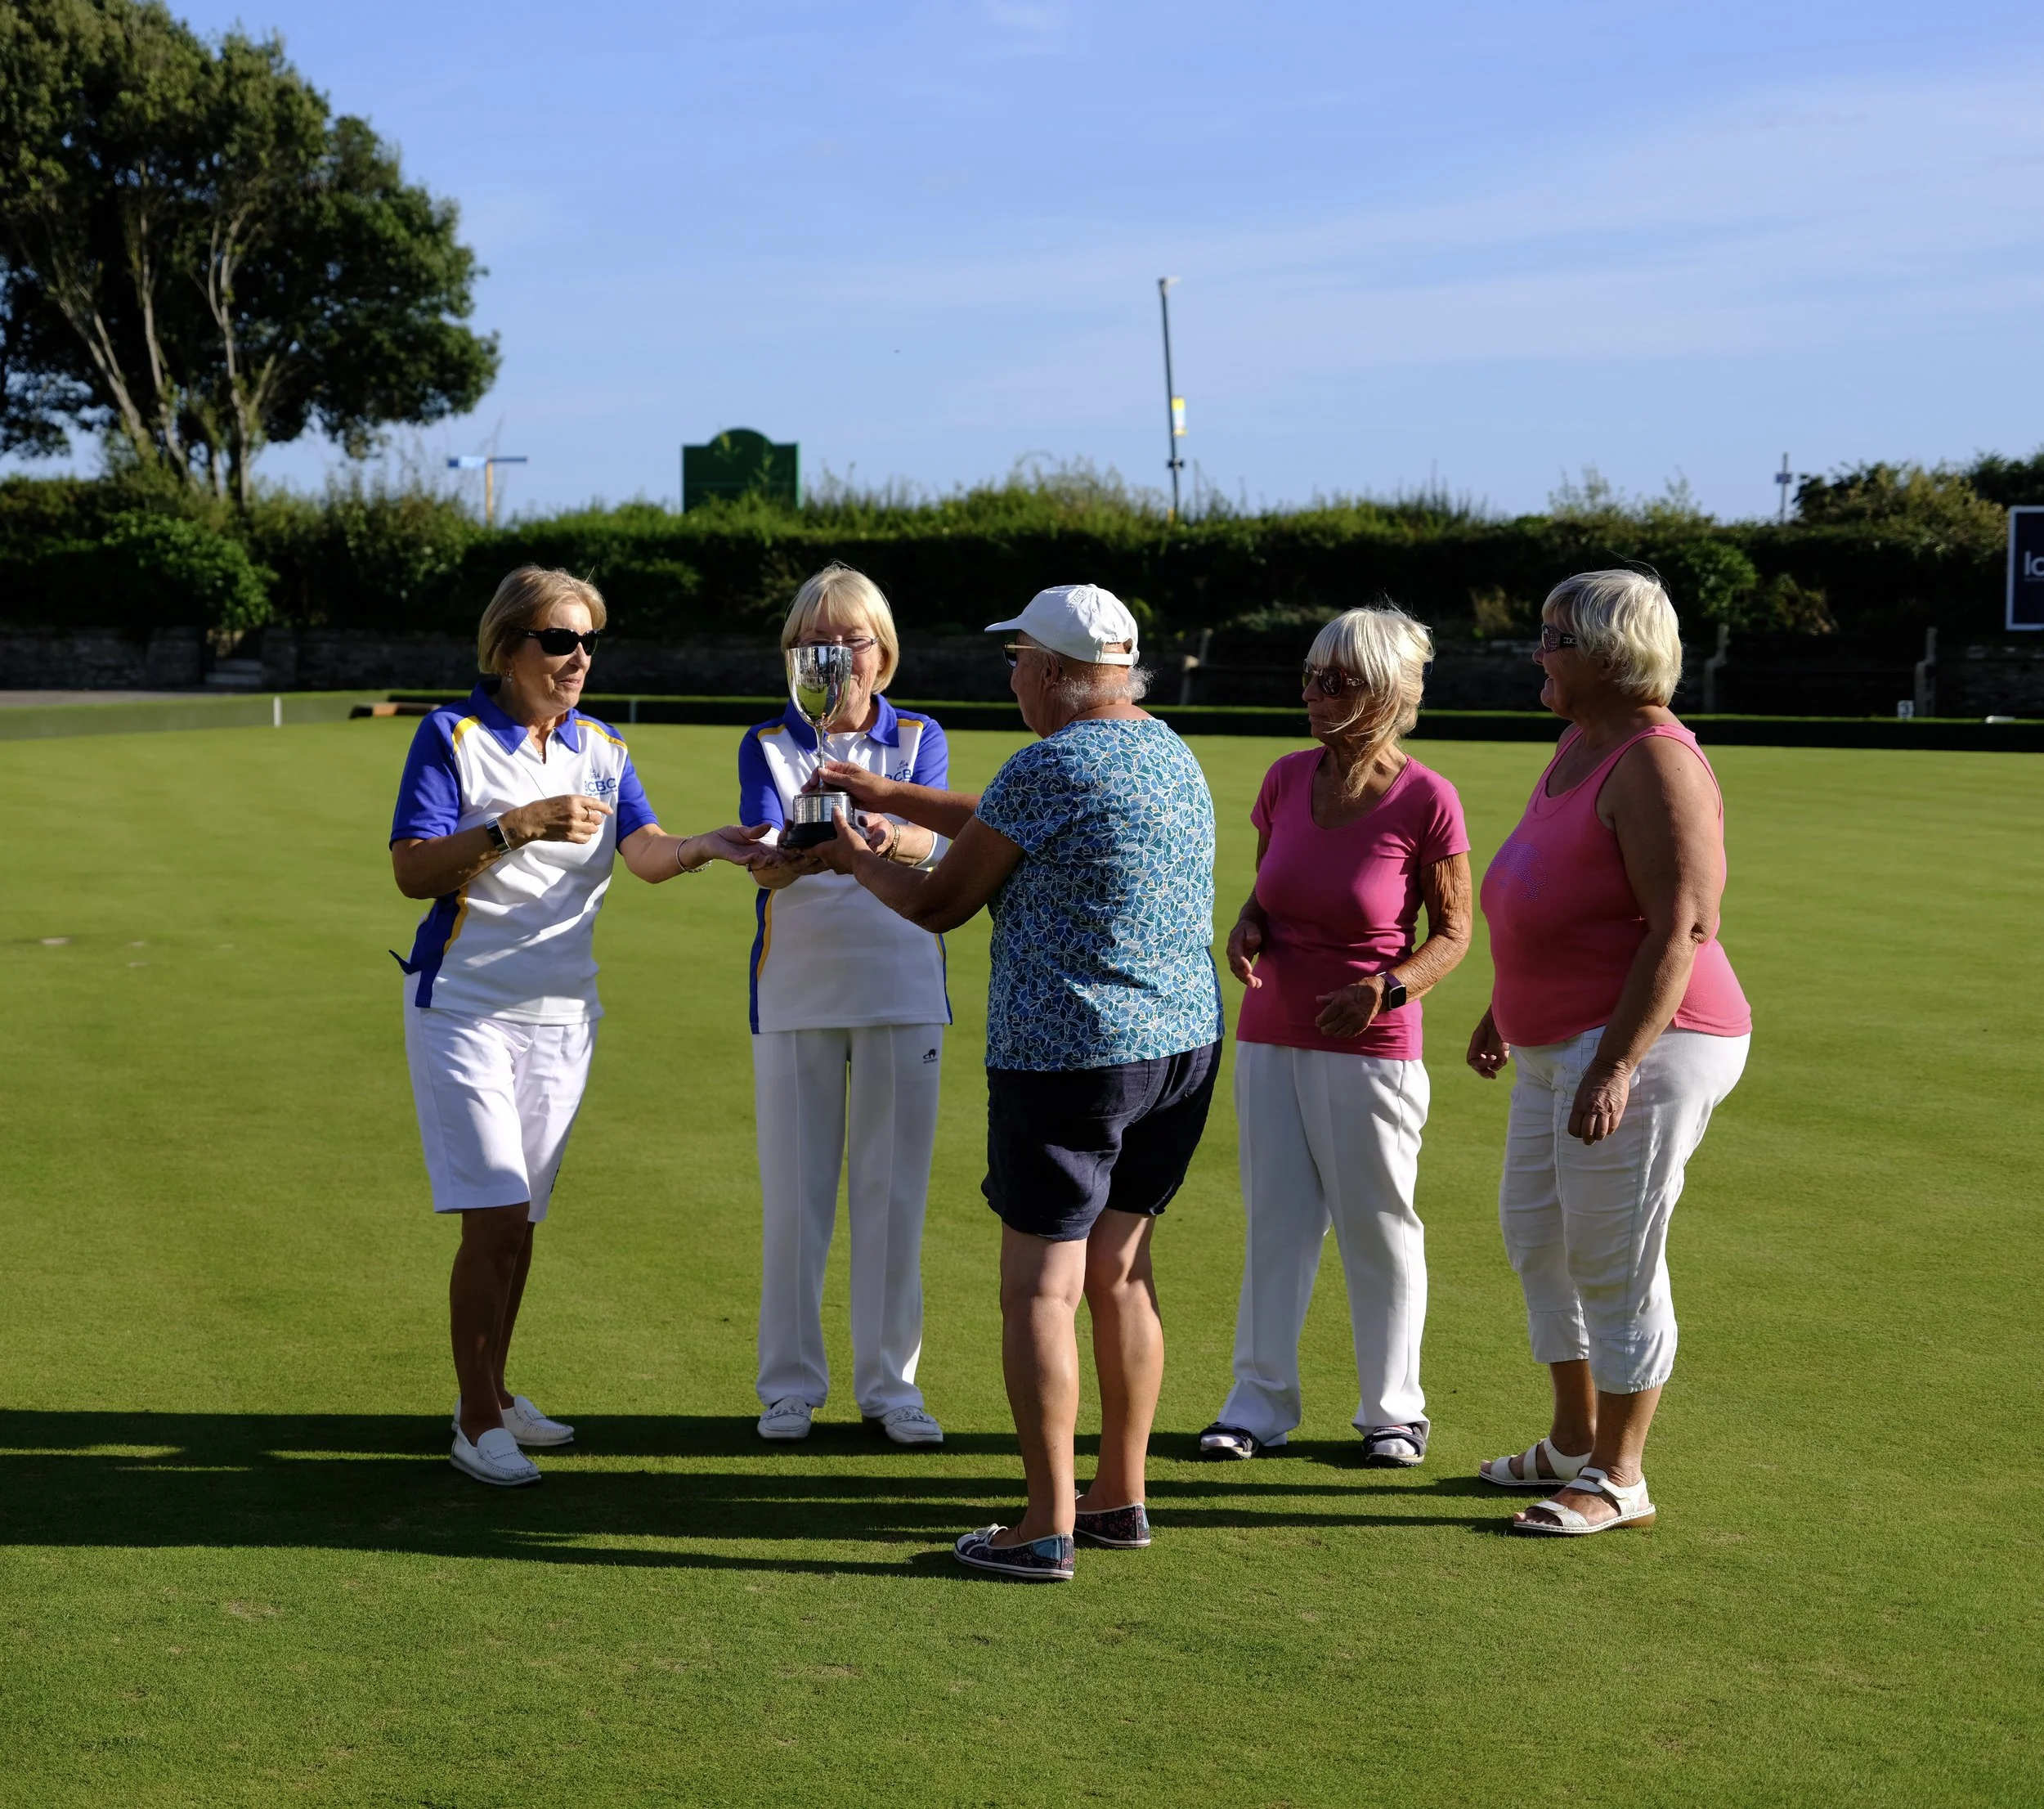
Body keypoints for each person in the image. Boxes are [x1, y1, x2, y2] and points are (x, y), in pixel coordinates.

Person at [809, 583, 1222, 1582]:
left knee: (1041, 1289)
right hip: (1181, 1048)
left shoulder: (1049, 763)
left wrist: (849, 850)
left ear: (1051, 670)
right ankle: (1118, 1497)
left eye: (1016, 661)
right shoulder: (1166, 747)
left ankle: (1044, 1525)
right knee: (1122, 1275)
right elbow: (1006, 819)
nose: (1010, 677)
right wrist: (889, 795)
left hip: (1069, 1056)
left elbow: (942, 899)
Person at [390, 566, 767, 1488]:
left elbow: (641, 848)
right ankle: (474, 1416)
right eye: (559, 640)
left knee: (520, 1227)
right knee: (494, 1216)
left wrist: (704, 848)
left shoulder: (602, 743)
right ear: (508, 647)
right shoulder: (454, 736)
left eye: (588, 641)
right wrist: (515, 826)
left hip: (565, 1014)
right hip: (466, 1006)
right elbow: (412, 871)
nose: (578, 658)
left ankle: (497, 1387)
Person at [1468, 568, 1750, 1535]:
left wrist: (1617, 1064)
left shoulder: (1658, 761)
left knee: (1611, 1254)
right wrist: (1503, 1008)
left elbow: (1683, 928)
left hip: (1649, 1043)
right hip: (1556, 1038)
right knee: (1535, 1237)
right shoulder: (1581, 741)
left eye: (1550, 638)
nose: (1536, 654)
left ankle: (1619, 1477)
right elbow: (1547, 891)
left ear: (1607, 653)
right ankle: (1572, 1440)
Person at [1200, 607, 1472, 1466]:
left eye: (1338, 681)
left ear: (1389, 694)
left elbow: (1454, 932)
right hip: (1270, 1031)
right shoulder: (1283, 779)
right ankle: (1256, 1403)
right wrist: (1246, 926)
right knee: (1275, 1221)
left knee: (1378, 1223)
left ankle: (1393, 1412)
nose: (1315, 694)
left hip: (1370, 1047)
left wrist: (1383, 988)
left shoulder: (1428, 798)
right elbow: (1270, 894)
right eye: (1311, 676)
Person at [737, 565, 952, 1448]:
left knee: (892, 1193)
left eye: (848, 642)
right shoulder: (768, 742)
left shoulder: (920, 737)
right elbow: (762, 848)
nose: (831, 659)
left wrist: (877, 835)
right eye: (810, 645)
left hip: (903, 984)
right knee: (796, 1199)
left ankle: (890, 1383)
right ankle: (788, 1383)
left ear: (883, 654)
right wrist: (786, 853)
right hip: (796, 989)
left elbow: (936, 841)